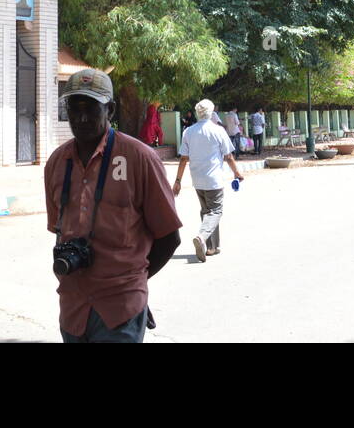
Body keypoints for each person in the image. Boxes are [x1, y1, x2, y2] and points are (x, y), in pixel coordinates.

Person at [45, 68, 181, 343]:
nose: (82, 118)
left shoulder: (139, 158)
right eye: (74, 108)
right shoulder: (57, 163)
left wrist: (135, 284)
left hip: (120, 309)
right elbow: (60, 231)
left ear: (111, 110)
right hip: (73, 308)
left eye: (91, 108)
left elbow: (169, 238)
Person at [174, 98, 244, 262]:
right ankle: (202, 237)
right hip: (214, 179)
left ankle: (212, 247)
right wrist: (237, 173)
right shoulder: (218, 131)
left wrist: (177, 181)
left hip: (197, 179)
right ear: (211, 113)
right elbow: (228, 156)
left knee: (207, 211)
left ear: (197, 113)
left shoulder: (188, 132)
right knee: (215, 211)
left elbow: (183, 158)